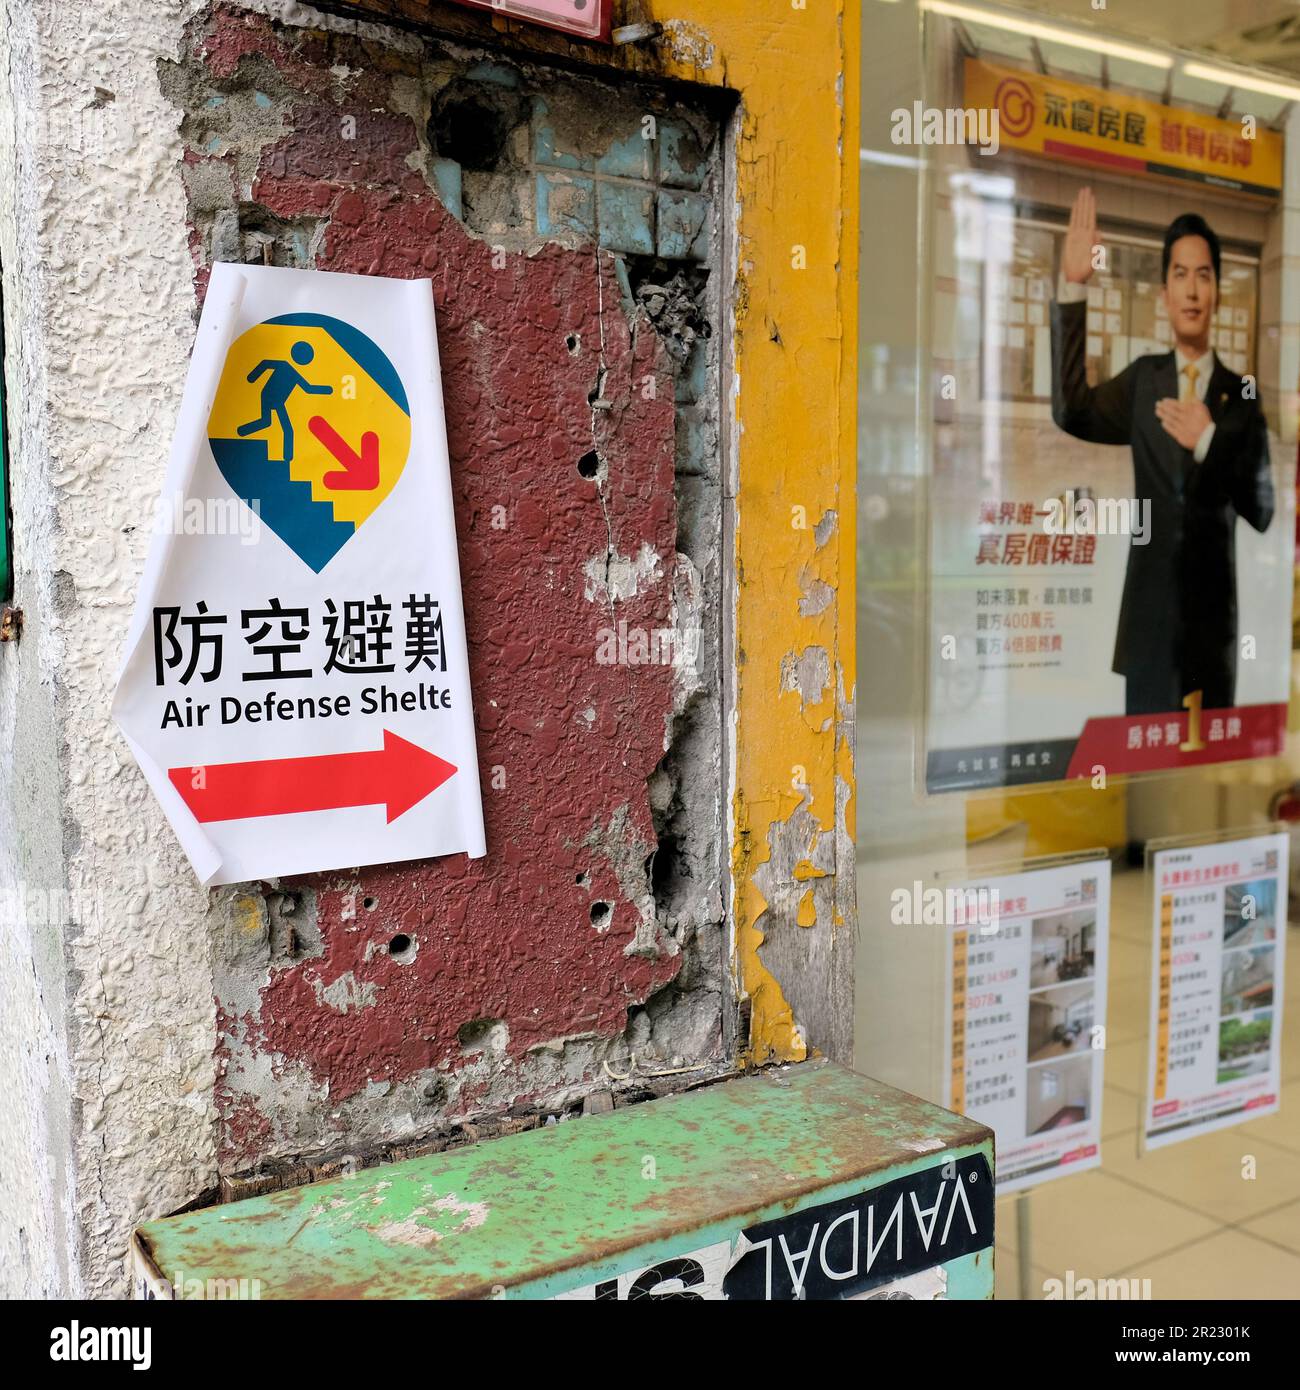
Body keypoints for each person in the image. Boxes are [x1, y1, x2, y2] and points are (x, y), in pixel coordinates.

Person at [1051, 188, 1274, 716]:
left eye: (1203, 275)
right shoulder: (1143, 382)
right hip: (1148, 633)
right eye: (1180, 274)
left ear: (1217, 289)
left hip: (1211, 637)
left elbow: (1261, 510)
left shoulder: (1241, 394)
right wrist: (1072, 288)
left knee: (1201, 785)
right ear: (1163, 292)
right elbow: (1072, 411)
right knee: (1142, 777)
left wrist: (1210, 442)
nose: (1192, 290)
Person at [236, 339, 333, 464]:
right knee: (284, 428)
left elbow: (308, 389)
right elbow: (265, 363)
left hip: (275, 400)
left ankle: (243, 431)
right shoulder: (284, 366)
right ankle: (287, 457)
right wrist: (252, 377)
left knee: (268, 423)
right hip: (270, 397)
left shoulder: (293, 373)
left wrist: (327, 389)